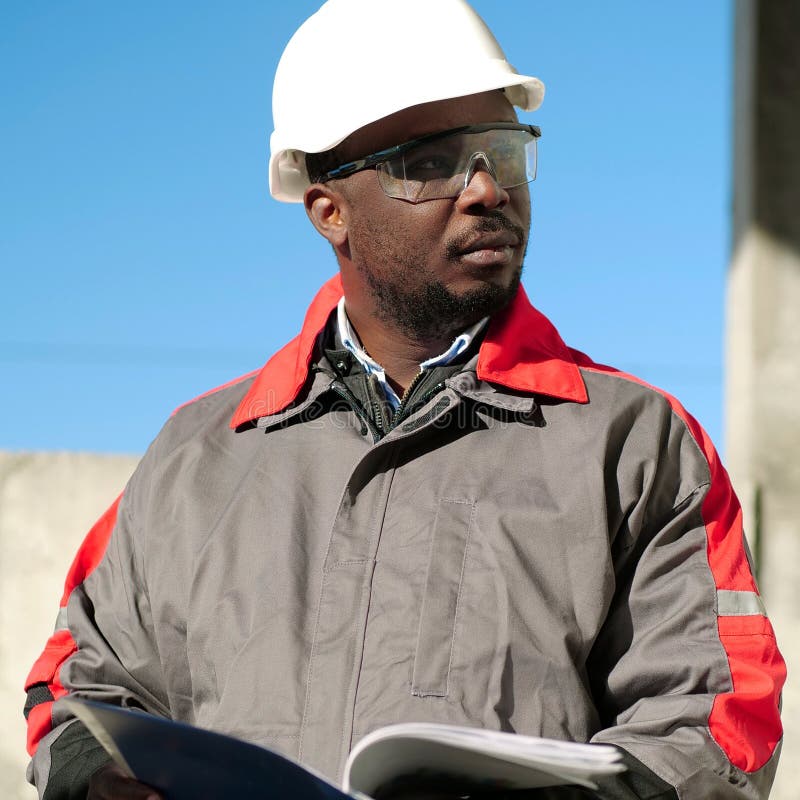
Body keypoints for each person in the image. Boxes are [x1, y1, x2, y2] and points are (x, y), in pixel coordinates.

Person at [24, 1, 785, 798]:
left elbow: (722, 717)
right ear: (329, 211)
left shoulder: (634, 443)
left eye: (501, 150)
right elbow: (73, 693)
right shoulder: (196, 455)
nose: (486, 188)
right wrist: (97, 781)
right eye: (431, 163)